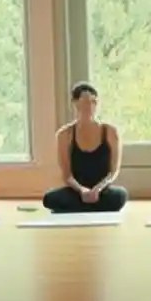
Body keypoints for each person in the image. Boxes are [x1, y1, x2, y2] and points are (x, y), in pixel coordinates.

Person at [43, 82, 128, 213]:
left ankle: (84, 205)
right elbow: (67, 175)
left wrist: (98, 189)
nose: (90, 106)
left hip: (101, 190)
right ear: (75, 103)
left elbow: (113, 172)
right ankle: (90, 205)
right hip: (77, 190)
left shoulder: (110, 131)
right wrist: (82, 190)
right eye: (85, 102)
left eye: (93, 102)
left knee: (120, 196)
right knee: (49, 199)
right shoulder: (64, 134)